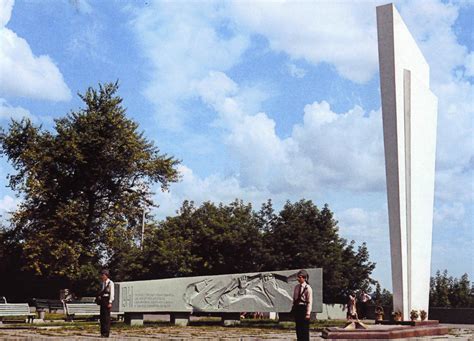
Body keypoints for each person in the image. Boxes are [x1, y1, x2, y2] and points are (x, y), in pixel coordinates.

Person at [292, 269, 313, 341]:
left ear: (304, 278)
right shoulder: (296, 287)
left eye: (300, 277)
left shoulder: (308, 288)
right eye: (298, 277)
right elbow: (294, 298)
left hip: (304, 308)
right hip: (297, 308)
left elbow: (309, 302)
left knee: (304, 329)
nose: (298, 278)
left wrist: (308, 313)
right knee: (298, 328)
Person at [98, 269, 114, 338]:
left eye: (103, 275)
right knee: (102, 317)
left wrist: (110, 302)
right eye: (102, 275)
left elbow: (112, 293)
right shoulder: (102, 283)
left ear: (106, 275)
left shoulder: (110, 283)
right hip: (102, 300)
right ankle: (102, 332)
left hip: (107, 299)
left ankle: (106, 332)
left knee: (106, 317)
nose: (102, 276)